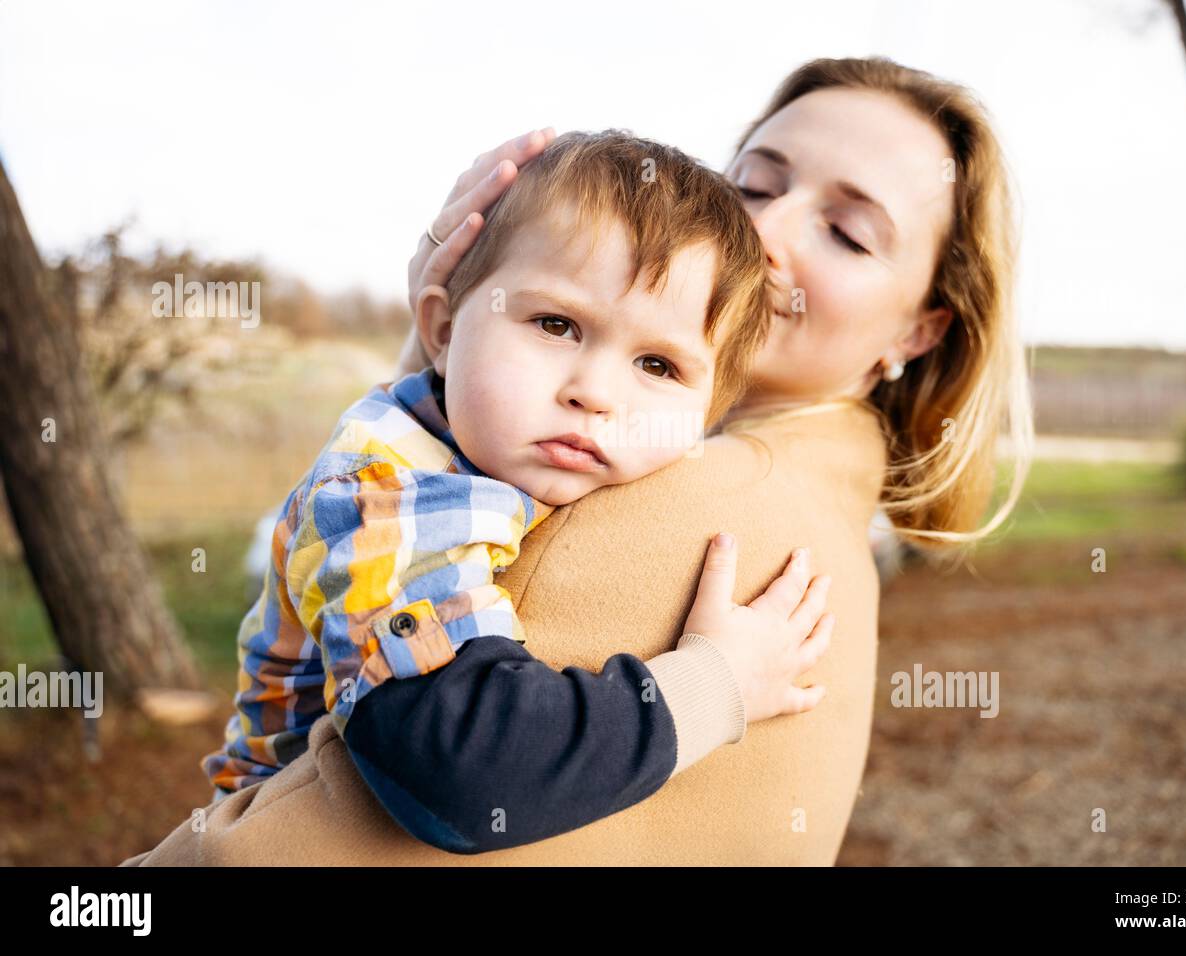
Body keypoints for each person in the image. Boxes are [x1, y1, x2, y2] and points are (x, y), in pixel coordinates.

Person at [123, 55, 1032, 866]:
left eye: (847, 231)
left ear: (919, 329)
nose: (767, 233)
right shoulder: (771, 481)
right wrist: (456, 344)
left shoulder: (719, 500)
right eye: (753, 184)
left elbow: (460, 770)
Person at [199, 131, 835, 852]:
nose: (594, 392)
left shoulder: (484, 451)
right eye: (555, 325)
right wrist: (713, 686)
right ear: (441, 328)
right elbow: (466, 769)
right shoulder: (392, 497)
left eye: (658, 365)